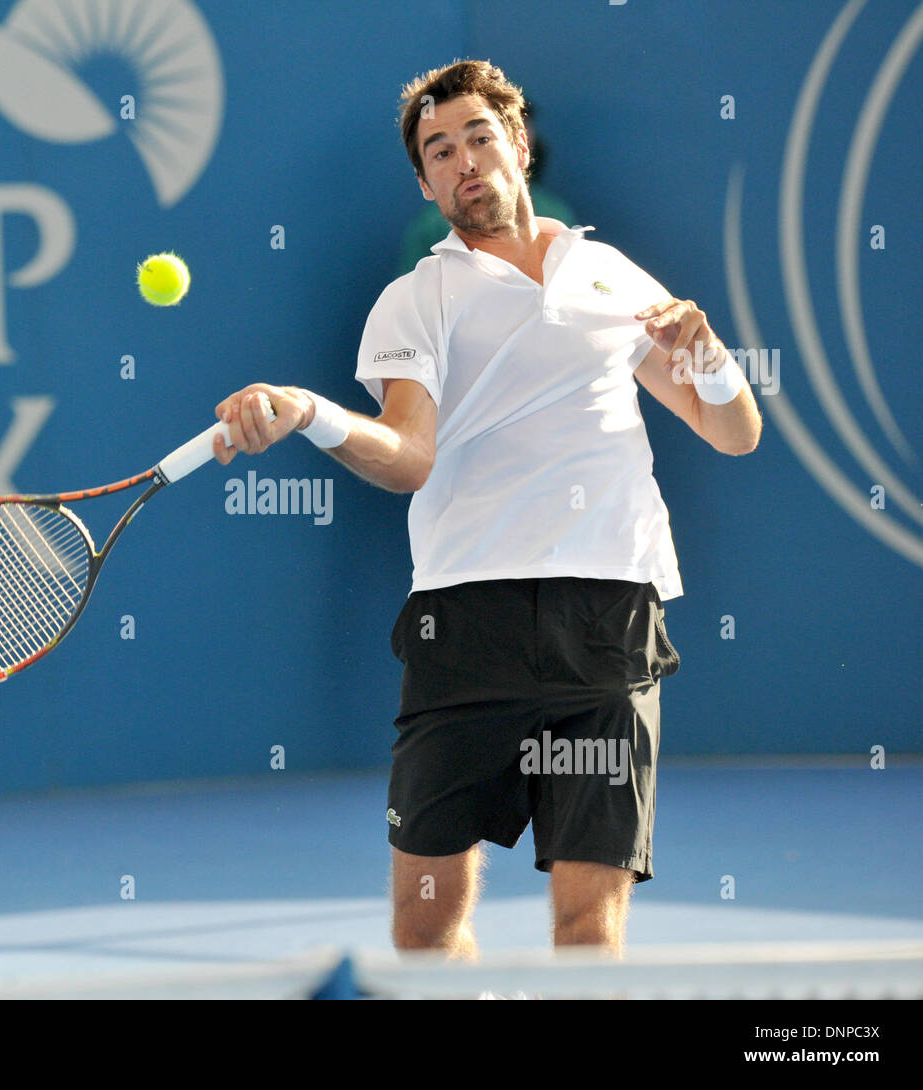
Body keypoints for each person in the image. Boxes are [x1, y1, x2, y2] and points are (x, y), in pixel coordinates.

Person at [211, 60, 761, 959]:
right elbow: (408, 457)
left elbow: (733, 432)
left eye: (478, 138)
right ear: (426, 181)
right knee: (426, 932)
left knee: (589, 929)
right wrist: (312, 414)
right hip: (463, 631)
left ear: (517, 146)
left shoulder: (609, 273)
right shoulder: (415, 298)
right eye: (439, 150)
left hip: (606, 623)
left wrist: (709, 358)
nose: (464, 160)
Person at [396, 96, 576, 277]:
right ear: (423, 182)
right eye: (443, 153)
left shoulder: (558, 213)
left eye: (482, 140)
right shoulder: (430, 228)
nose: (466, 164)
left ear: (521, 146)